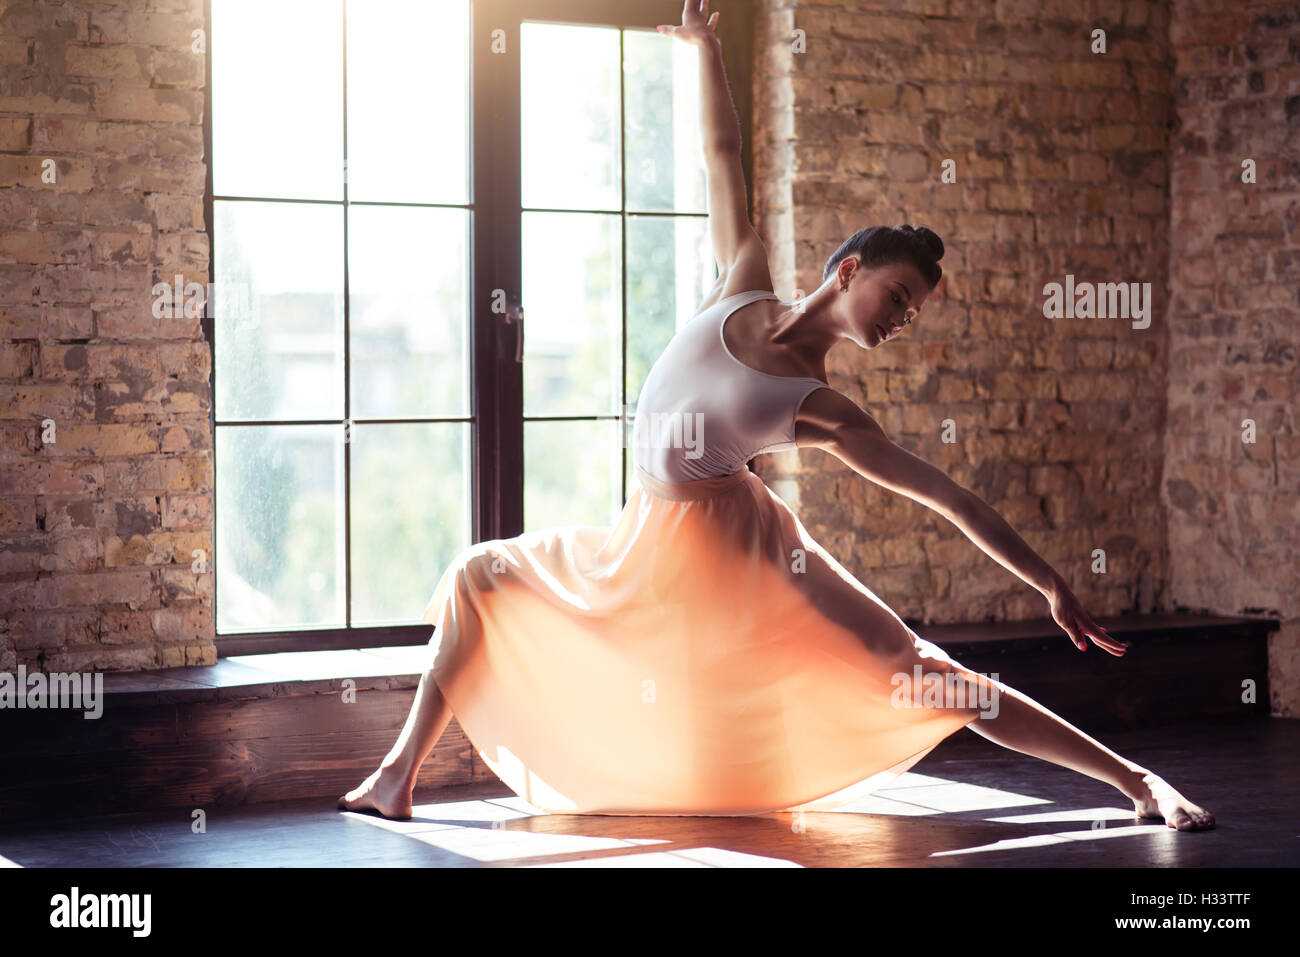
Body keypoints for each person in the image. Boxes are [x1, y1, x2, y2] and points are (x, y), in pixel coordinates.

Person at [340, 0, 1213, 831]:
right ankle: (396, 779)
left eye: (911, 315)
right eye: (899, 294)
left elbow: (949, 499)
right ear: (850, 267)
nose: (901, 317)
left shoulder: (824, 408)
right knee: (476, 577)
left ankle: (1136, 779)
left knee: (922, 675)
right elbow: (723, 153)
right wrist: (708, 51)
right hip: (641, 541)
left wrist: (1051, 583)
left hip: (740, 550)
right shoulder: (743, 275)